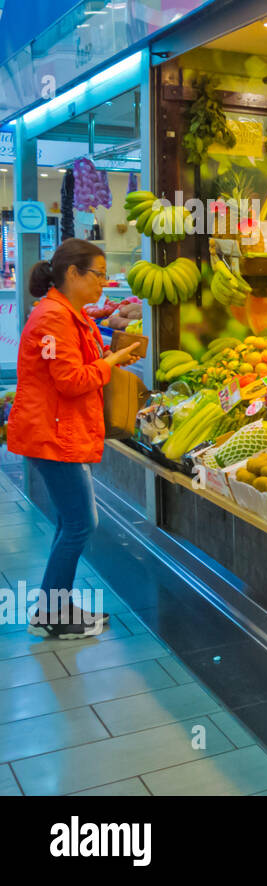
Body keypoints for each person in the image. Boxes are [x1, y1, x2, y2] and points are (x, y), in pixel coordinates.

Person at [10, 240, 143, 638]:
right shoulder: (52, 318)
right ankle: (49, 615)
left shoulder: (70, 315)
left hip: (60, 430)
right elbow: (70, 381)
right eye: (98, 274)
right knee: (82, 523)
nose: (104, 282)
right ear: (73, 274)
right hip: (52, 433)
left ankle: (56, 605)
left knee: (71, 521)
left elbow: (80, 364)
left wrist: (110, 355)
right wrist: (111, 362)